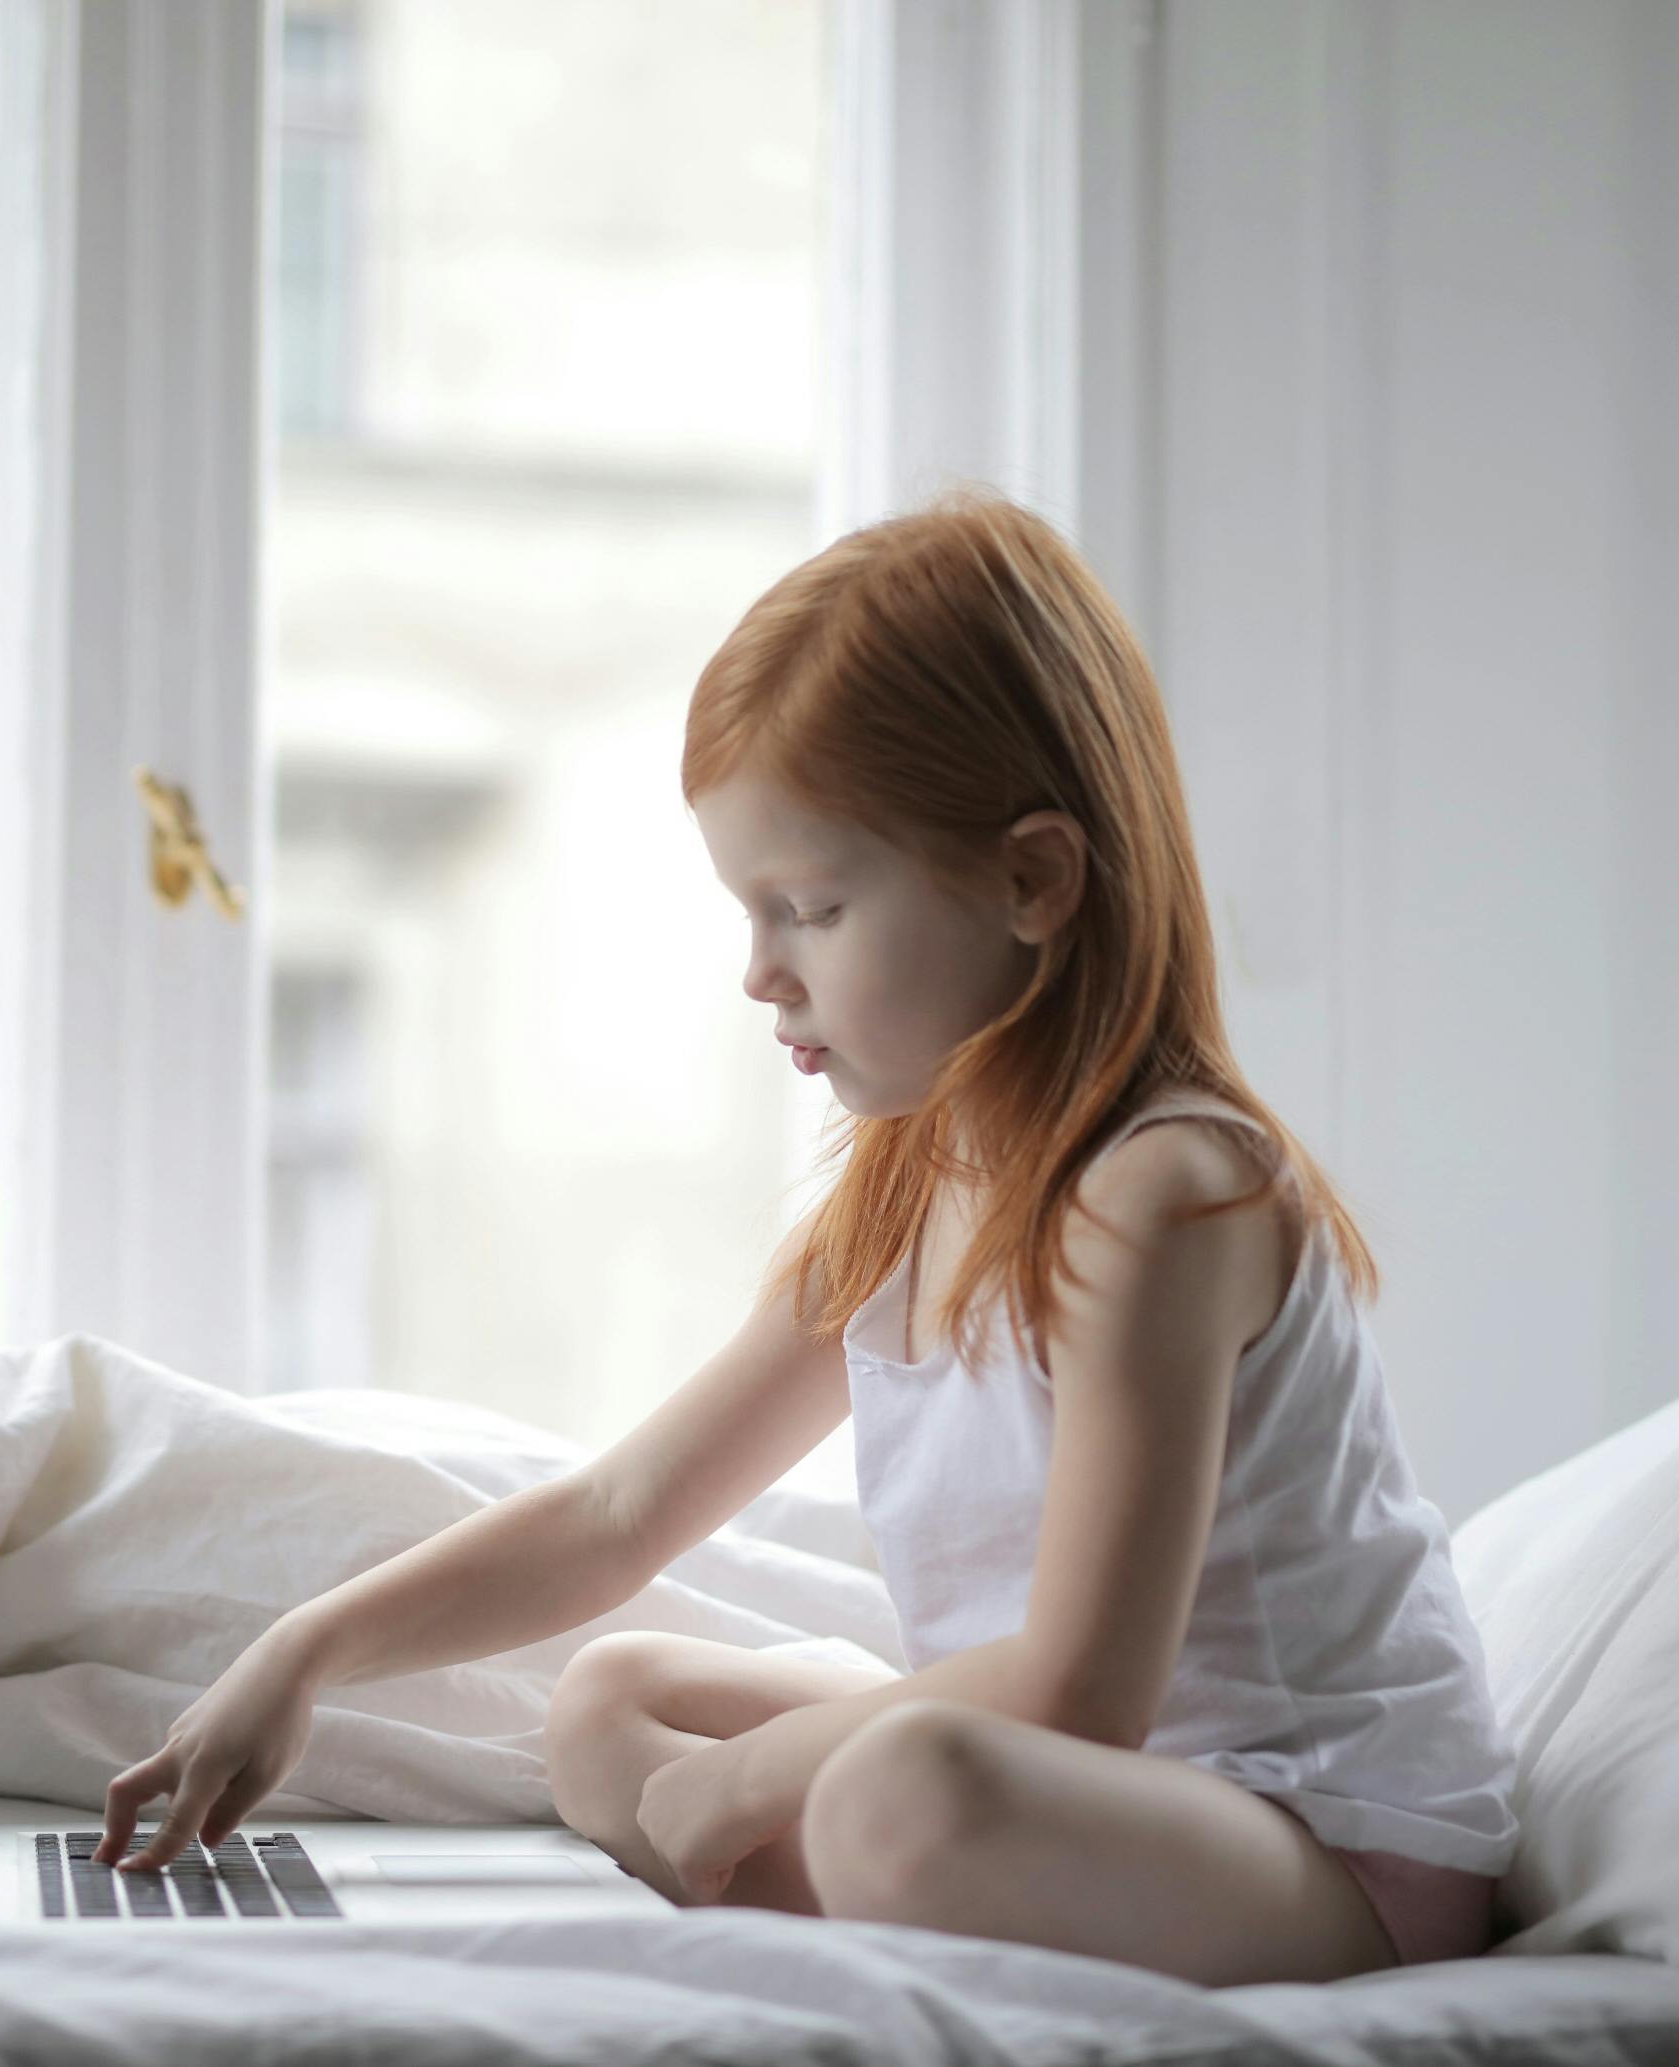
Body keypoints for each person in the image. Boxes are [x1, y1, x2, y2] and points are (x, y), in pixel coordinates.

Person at [92, 490, 1519, 1985]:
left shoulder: (1165, 1194)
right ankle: (837, 1864)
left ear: (1033, 882)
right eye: (749, 913)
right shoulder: (902, 1193)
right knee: (606, 1700)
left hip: (1316, 1834)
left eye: (811, 908)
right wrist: (302, 1654)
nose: (762, 975)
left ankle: (822, 1863)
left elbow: (1081, 1691)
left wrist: (757, 1784)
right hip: (1065, 1785)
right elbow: (618, 1512)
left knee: (905, 1793)